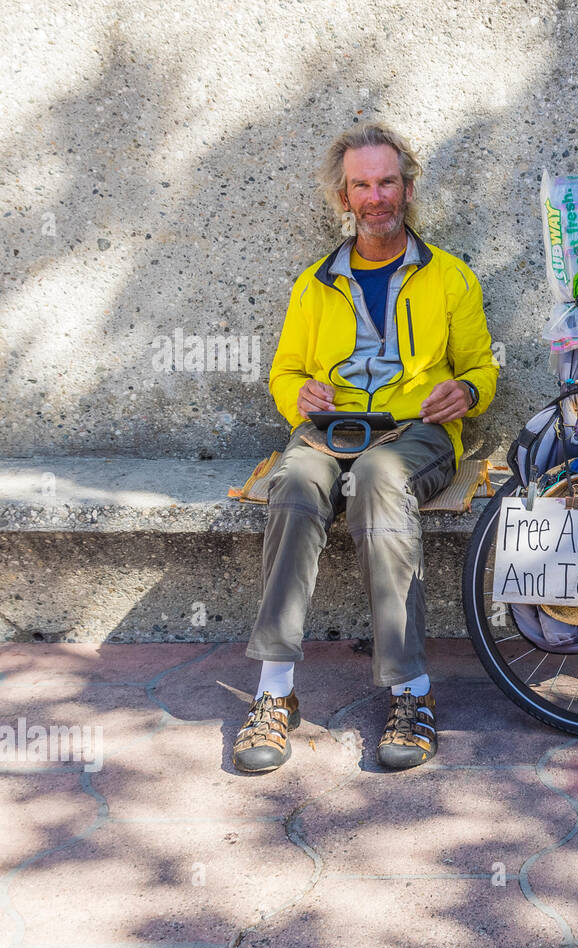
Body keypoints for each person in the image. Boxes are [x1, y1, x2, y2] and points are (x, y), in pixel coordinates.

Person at [235, 123, 498, 773]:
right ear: (344, 198)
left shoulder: (451, 279)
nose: (376, 196)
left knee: (381, 478)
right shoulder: (315, 284)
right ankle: (274, 696)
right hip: (328, 434)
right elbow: (284, 373)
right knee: (293, 487)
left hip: (415, 436)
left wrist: (464, 391)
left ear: (407, 189)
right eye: (362, 185)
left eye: (387, 182)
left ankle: (410, 694)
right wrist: (299, 397)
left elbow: (482, 370)